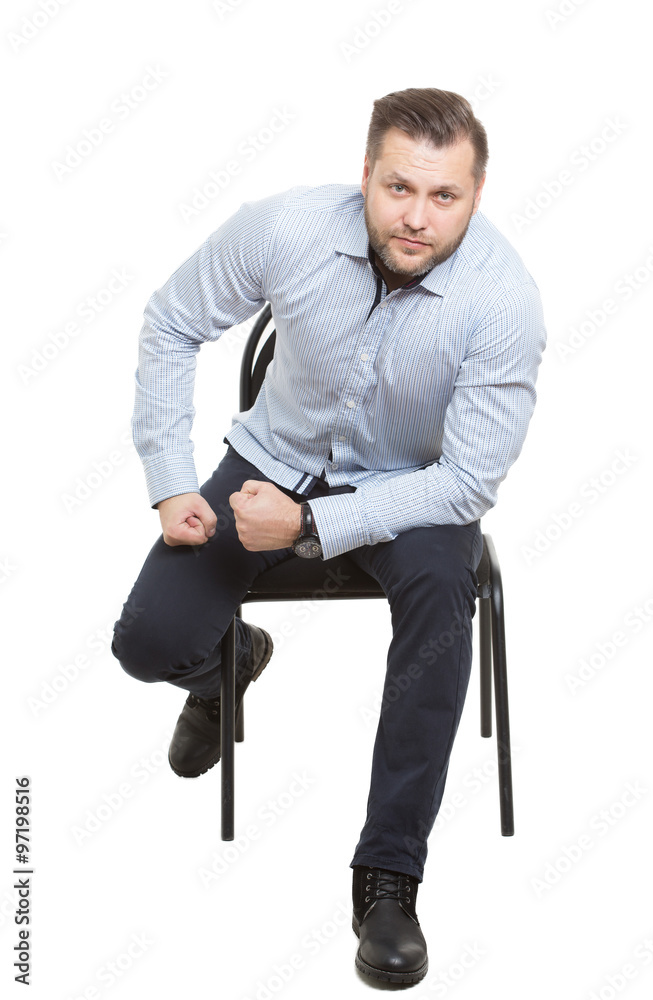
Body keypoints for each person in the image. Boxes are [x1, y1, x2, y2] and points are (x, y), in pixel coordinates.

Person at [111, 87, 546, 985]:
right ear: (364, 178)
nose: (416, 217)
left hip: (414, 490)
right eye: (398, 189)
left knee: (440, 598)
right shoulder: (287, 229)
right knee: (147, 643)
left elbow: (467, 482)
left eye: (444, 197)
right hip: (276, 459)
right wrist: (169, 481)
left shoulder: (503, 302)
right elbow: (171, 321)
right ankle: (227, 666)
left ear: (476, 195)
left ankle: (388, 876)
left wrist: (311, 525)